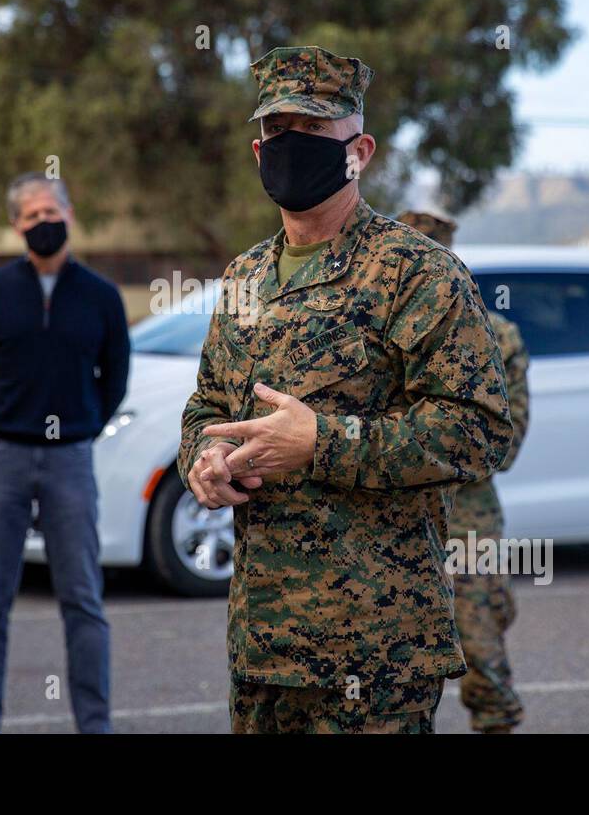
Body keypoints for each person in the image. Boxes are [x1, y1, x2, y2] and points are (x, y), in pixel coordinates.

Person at [178, 47, 512, 734]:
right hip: (265, 647)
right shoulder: (243, 278)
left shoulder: (419, 274)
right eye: (279, 132)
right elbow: (209, 404)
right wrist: (202, 463)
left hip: (379, 654)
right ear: (257, 148)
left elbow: (478, 433)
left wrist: (323, 443)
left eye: (313, 132)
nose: (291, 147)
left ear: (359, 151)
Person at [0, 173, 130, 734]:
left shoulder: (102, 296)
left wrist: (80, 429)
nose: (42, 222)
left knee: (82, 598)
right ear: (15, 225)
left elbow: (115, 380)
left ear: (70, 212)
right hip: (1, 457)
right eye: (30, 216)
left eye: (50, 211)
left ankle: (95, 724)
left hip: (69, 461)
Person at [399, 209, 529, 732]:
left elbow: (505, 442)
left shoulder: (495, 336)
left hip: (467, 514)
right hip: (394, 517)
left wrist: (416, 446)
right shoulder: (378, 328)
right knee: (390, 663)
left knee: (480, 650)